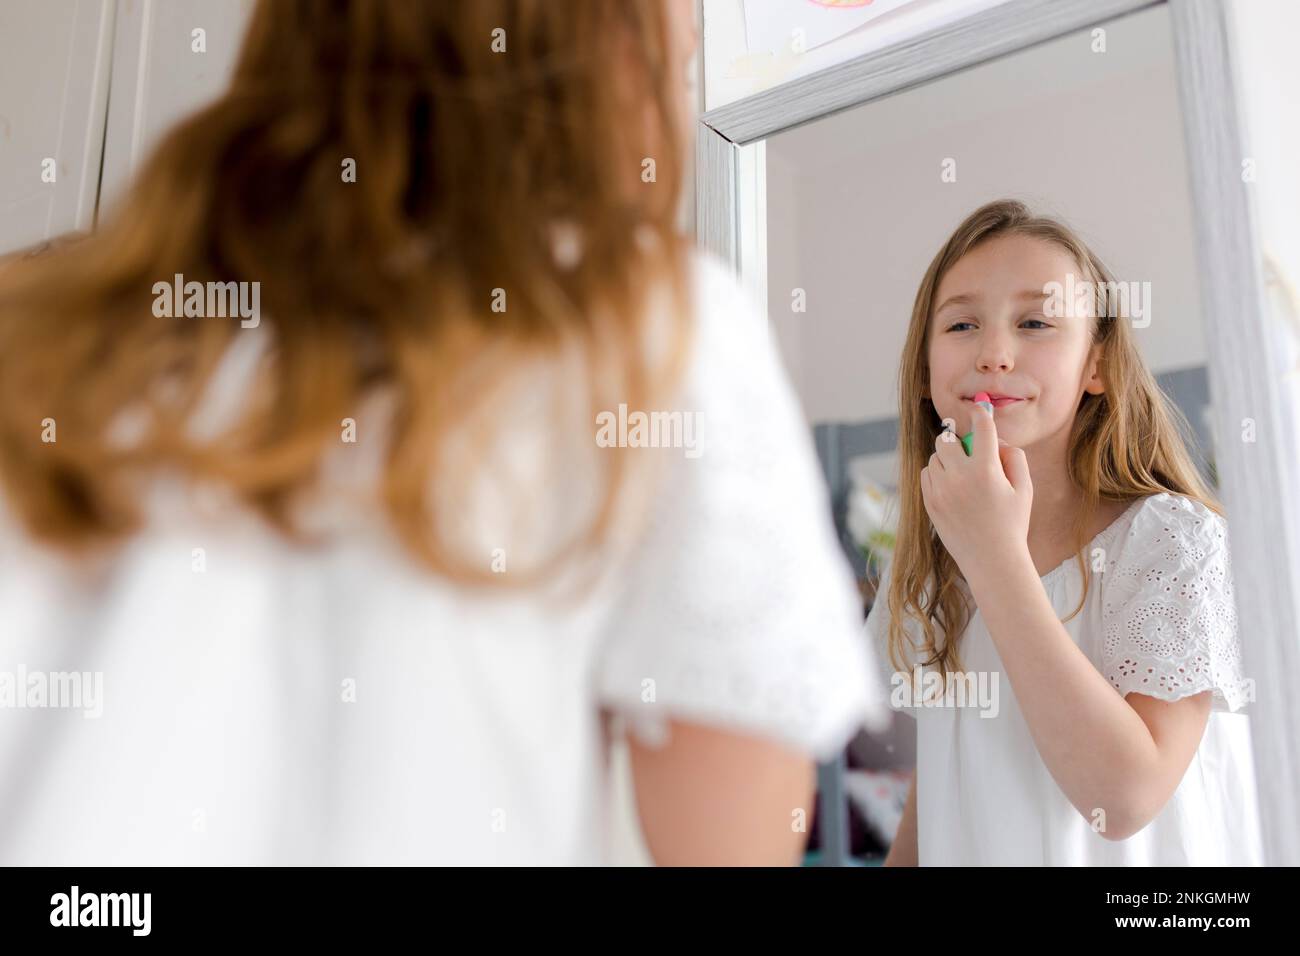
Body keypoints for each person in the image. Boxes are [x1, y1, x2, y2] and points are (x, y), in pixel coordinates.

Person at [0, 0, 887, 865]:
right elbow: (728, 845)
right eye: (679, 64)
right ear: (602, 51)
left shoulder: (50, 335)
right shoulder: (653, 325)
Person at [873, 199, 1262, 866]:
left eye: (1035, 322)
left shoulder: (1174, 546)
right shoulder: (925, 567)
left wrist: (995, 559)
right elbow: (946, 779)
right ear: (924, 367)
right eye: (962, 323)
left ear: (1097, 365)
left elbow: (1125, 797)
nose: (994, 353)